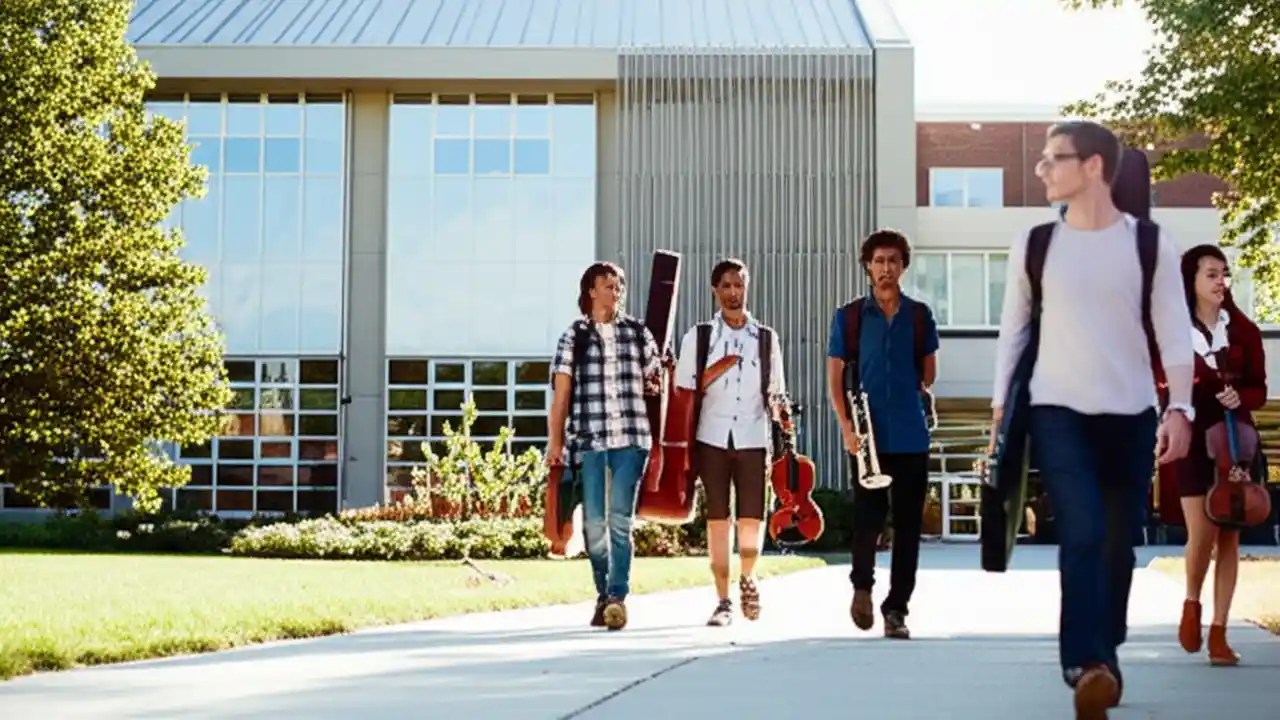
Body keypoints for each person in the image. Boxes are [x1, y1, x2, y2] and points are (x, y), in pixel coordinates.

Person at [990, 121, 1194, 719]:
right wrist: (1001, 410)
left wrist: (1180, 408)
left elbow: (1174, 331)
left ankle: (1105, 653)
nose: (1041, 169)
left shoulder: (1149, 245)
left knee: (1117, 543)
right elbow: (1013, 331)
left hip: (1131, 413)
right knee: (1080, 531)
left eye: (1054, 159)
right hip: (1057, 411)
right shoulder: (1035, 244)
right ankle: (1087, 664)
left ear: (1094, 166)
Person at [825, 229, 939, 640]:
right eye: (878, 261)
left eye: (892, 260)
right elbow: (834, 379)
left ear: (903, 266)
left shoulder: (920, 316)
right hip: (866, 437)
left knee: (908, 528)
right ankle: (862, 589)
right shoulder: (850, 317)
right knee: (867, 519)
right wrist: (846, 428)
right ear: (868, 267)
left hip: (910, 436)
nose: (885, 268)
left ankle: (897, 610)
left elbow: (929, 374)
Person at [548, 261, 661, 631]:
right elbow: (561, 396)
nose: (616, 292)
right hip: (590, 440)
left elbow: (656, 388)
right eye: (609, 286)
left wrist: (661, 374)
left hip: (632, 437)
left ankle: (617, 596)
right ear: (591, 291)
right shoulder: (574, 336)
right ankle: (603, 593)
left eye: (619, 286)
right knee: (594, 524)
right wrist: (555, 442)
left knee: (619, 520)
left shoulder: (638, 333)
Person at [674, 259, 787, 626]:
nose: (733, 292)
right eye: (726, 285)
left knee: (752, 518)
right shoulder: (700, 337)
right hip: (711, 437)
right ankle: (722, 601)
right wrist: (718, 367)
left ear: (747, 288)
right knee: (719, 520)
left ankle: (749, 579)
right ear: (715, 290)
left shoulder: (766, 338)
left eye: (739, 285)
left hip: (753, 437)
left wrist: (782, 412)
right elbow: (683, 390)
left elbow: (775, 392)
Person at [1173, 244, 1266, 666]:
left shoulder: (1244, 330)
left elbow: (1259, 389)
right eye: (1211, 274)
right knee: (1202, 532)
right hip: (1194, 437)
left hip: (1236, 440)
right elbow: (1163, 382)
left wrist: (1240, 396)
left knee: (1231, 532)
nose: (1220, 281)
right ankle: (1192, 602)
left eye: (1224, 274)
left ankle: (1219, 632)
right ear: (1191, 279)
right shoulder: (1173, 330)